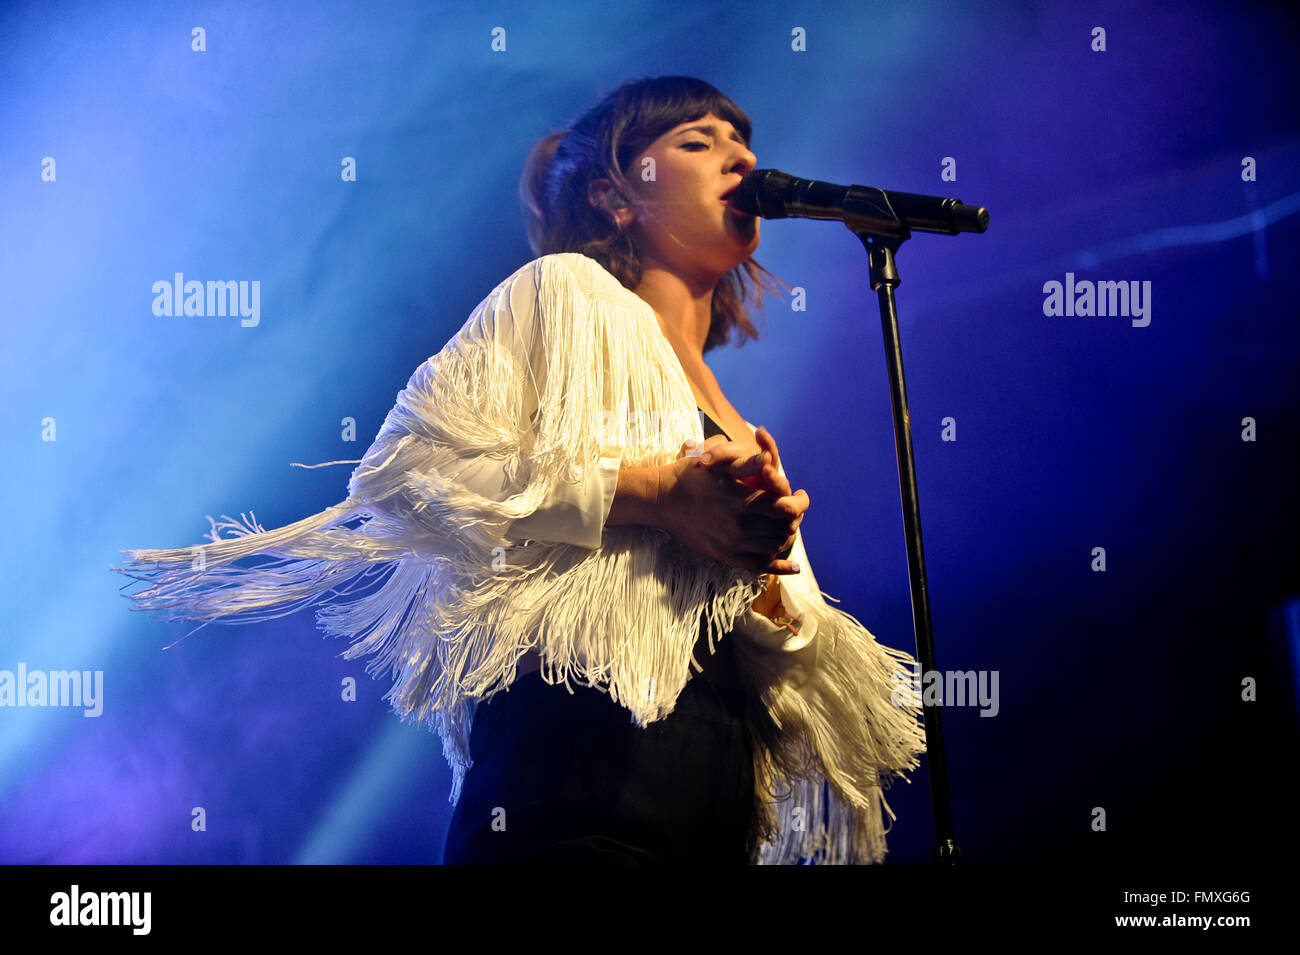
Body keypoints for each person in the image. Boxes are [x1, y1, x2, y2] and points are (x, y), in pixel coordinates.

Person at [113, 76, 926, 865]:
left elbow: (785, 669)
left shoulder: (740, 423)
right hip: (580, 777)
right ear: (616, 195)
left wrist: (762, 564)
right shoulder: (563, 294)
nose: (741, 156)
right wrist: (647, 493)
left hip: (712, 807)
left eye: (743, 140)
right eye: (698, 140)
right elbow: (414, 469)